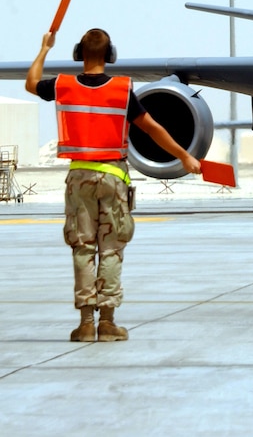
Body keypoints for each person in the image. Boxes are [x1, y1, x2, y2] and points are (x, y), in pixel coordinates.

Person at [25, 28, 202, 343]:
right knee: (111, 249)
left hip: (78, 179)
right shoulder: (121, 91)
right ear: (111, 56)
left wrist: (44, 49)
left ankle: (84, 324)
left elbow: (31, 83)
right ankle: (107, 322)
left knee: (82, 249)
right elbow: (152, 129)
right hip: (113, 178)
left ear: (79, 53)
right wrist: (184, 156)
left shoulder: (63, 85)